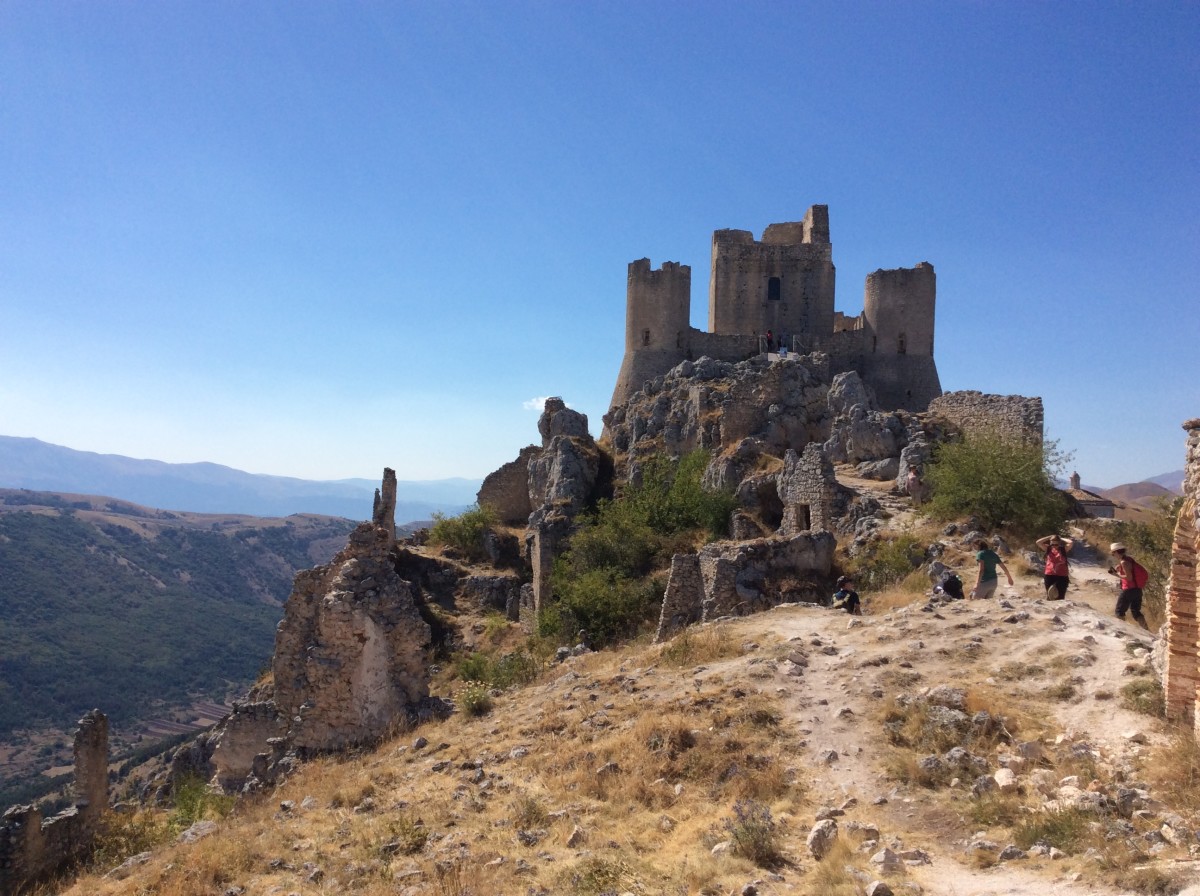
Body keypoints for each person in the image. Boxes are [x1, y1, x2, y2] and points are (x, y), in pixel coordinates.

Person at [1107, 542, 1149, 628]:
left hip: (1129, 590)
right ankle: (1146, 630)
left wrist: (1116, 574)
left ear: (1116, 552)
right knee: (1136, 611)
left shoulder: (1124, 562)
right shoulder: (1128, 559)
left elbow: (1129, 578)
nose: (1113, 555)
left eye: (1113, 553)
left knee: (1119, 611)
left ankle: (1122, 630)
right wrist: (1119, 568)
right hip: (1137, 590)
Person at [1035, 533, 1074, 600]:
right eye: (1052, 544)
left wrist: (1060, 538)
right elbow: (1038, 542)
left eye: (1056, 544)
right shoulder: (1048, 549)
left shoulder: (1063, 549)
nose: (1054, 546)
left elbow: (1071, 542)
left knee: (1061, 597)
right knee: (1049, 595)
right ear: (1050, 543)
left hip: (1062, 576)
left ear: (1059, 543)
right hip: (1049, 575)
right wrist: (1050, 537)